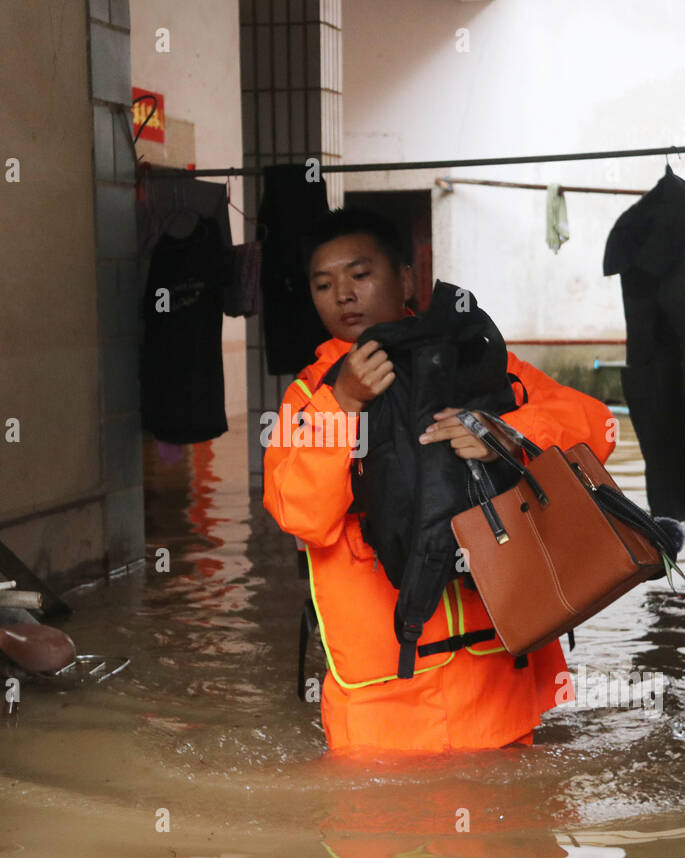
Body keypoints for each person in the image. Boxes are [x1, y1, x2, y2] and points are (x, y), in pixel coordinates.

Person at [262, 206, 618, 753]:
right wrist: (346, 401)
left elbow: (596, 426)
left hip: (500, 683)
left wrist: (504, 432)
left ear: (406, 278)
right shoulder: (311, 396)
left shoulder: (476, 363)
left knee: (515, 833)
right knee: (375, 838)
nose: (343, 295)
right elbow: (299, 514)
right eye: (324, 284)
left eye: (360, 274)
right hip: (379, 706)